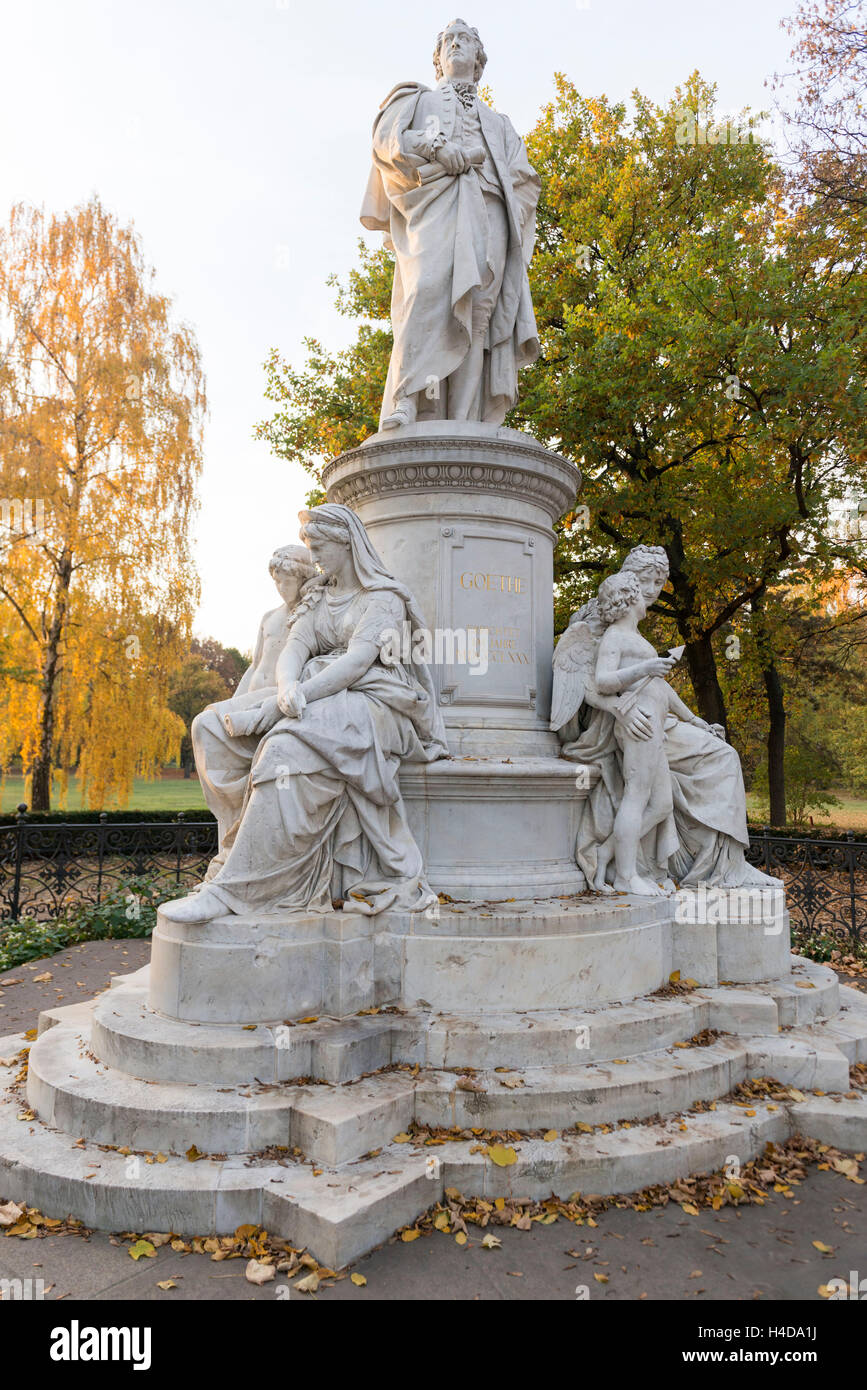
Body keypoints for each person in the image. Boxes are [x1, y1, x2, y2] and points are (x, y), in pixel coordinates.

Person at [162, 505, 448, 924]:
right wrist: (286, 687)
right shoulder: (319, 595)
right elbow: (295, 649)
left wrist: (294, 699)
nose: (314, 558)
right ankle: (235, 853)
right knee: (208, 726)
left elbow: (356, 663)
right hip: (315, 689)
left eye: (320, 548)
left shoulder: (383, 599)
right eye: (311, 548)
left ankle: (238, 890)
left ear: (347, 542)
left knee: (283, 750)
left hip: (374, 702)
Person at [361, 18, 540, 428]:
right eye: (450, 41)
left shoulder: (500, 124)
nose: (457, 44)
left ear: (479, 60)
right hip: (435, 207)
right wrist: (438, 148)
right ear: (438, 59)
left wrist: (501, 192)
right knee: (426, 292)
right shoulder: (416, 100)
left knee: (479, 313)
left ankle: (467, 420)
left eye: (466, 40)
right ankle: (409, 398)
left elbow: (526, 179)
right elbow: (388, 141)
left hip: (490, 213)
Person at [190, 544, 318, 876]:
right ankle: (232, 813)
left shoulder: (314, 613)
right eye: (276, 579)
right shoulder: (270, 617)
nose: (280, 586)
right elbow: (255, 665)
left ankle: (240, 817)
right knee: (205, 724)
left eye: (286, 579)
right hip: (253, 694)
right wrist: (234, 701)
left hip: (278, 695)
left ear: (302, 577)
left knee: (205, 725)